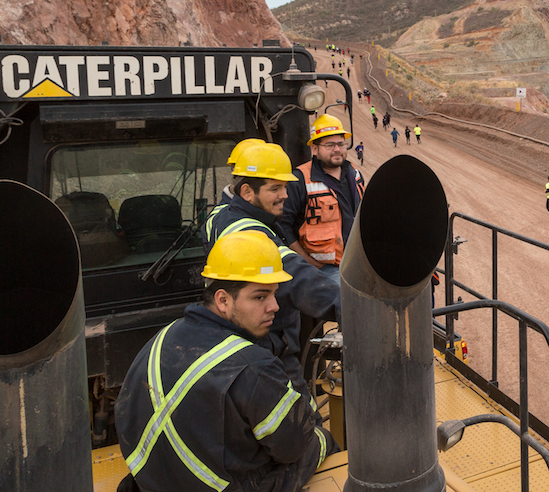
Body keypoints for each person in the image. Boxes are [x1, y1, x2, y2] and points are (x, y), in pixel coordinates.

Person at [115, 231, 335, 492]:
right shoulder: (254, 367)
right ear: (222, 300)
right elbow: (293, 446)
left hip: (151, 483)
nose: (275, 306)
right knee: (322, 440)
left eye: (275, 294)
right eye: (260, 297)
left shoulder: (163, 337)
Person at [202, 142, 341, 392]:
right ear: (246, 192)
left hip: (251, 337)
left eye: (286, 187)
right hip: (269, 344)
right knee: (300, 415)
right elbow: (294, 274)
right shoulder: (247, 232)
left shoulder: (222, 214)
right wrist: (350, 306)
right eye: (275, 188)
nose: (285, 195)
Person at [278, 114, 365, 286]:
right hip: (323, 269)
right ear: (315, 149)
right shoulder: (301, 179)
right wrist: (306, 261)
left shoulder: (354, 173)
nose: (337, 149)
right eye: (329, 145)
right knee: (345, 307)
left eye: (341, 144)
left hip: (355, 262)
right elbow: (283, 226)